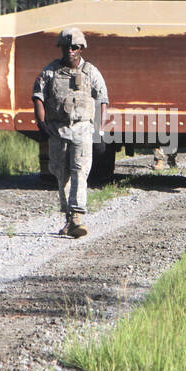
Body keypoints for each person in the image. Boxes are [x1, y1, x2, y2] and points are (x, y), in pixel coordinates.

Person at [31, 27, 108, 238]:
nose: (70, 51)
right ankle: (68, 217)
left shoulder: (91, 72)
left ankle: (77, 217)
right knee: (60, 175)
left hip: (83, 129)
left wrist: (99, 131)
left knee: (79, 172)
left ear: (81, 48)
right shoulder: (50, 72)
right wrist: (41, 123)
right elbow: (38, 95)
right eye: (66, 47)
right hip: (58, 130)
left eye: (74, 47)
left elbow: (102, 99)